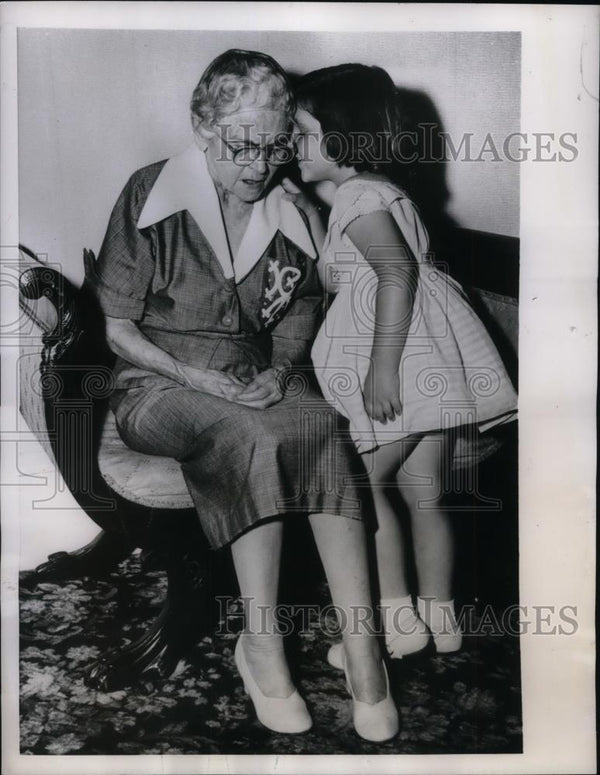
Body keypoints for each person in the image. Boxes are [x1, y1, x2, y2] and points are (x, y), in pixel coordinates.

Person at [89, 50, 398, 741]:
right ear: (202, 127)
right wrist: (193, 375)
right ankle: (261, 645)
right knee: (252, 434)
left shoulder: (286, 207)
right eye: (242, 146)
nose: (260, 164)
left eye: (275, 145)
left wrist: (284, 372)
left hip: (255, 378)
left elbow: (300, 313)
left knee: (320, 423)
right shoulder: (149, 195)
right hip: (158, 383)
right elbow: (115, 326)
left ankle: (364, 649)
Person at [282, 63, 518, 663]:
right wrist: (312, 216)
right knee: (425, 492)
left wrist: (382, 367)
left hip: (399, 364)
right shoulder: (379, 193)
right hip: (433, 365)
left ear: (342, 136)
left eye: (303, 133)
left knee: (361, 492)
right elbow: (339, 273)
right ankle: (441, 615)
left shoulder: (359, 198)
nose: (292, 146)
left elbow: (396, 272)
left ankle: (394, 621)